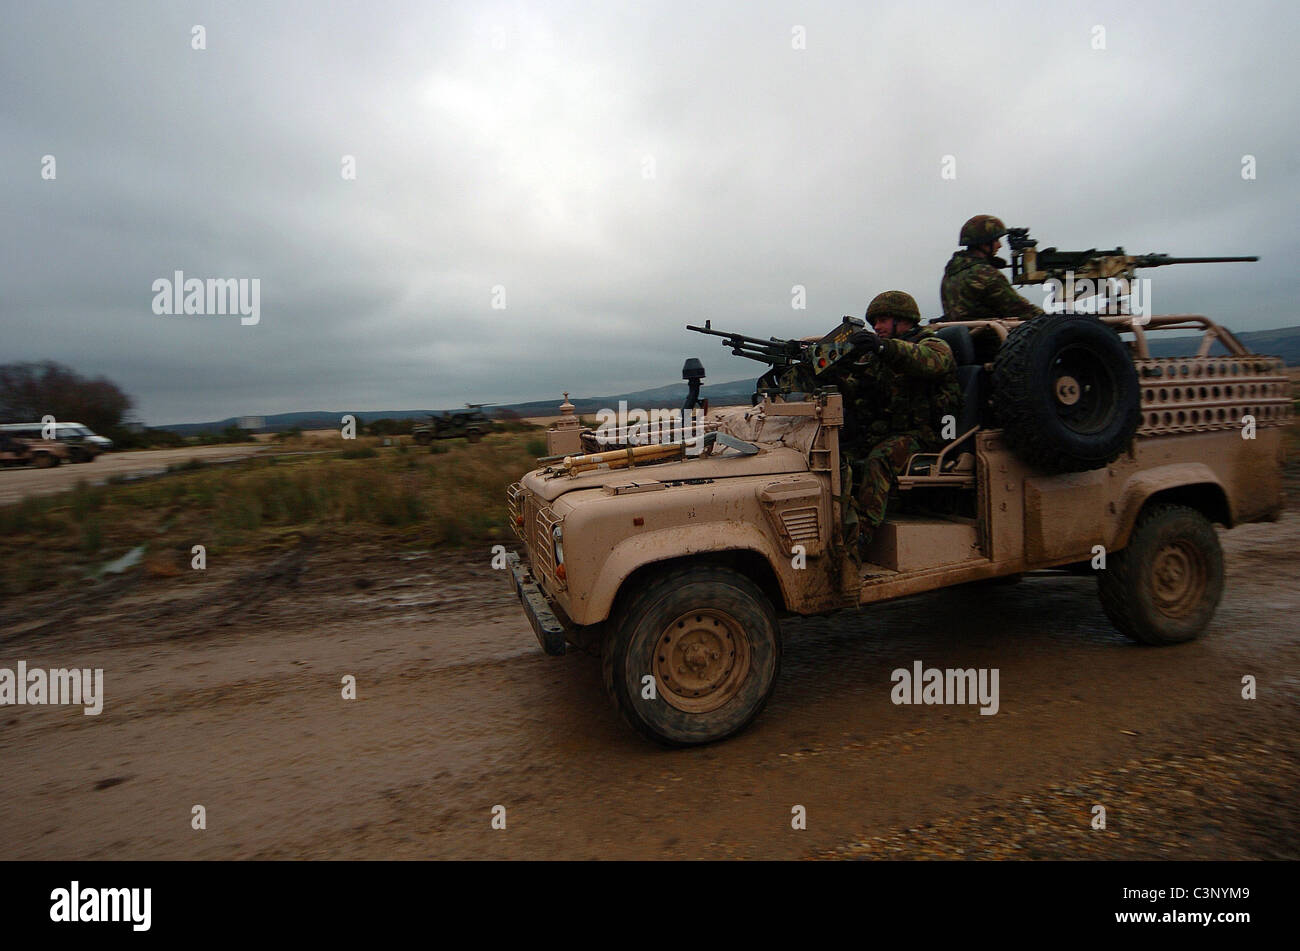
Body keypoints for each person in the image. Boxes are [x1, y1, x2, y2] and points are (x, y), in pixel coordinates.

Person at [830, 291, 961, 556]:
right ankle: (838, 523)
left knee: (879, 459)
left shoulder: (934, 346)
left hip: (928, 434)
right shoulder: (881, 356)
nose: (877, 327)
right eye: (874, 321)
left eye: (883, 320)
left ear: (904, 321)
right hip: (890, 432)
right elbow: (860, 388)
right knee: (837, 457)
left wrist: (882, 347)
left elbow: (929, 362)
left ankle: (863, 534)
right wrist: (837, 378)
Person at [938, 214, 1044, 321]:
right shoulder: (986, 275)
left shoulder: (951, 272)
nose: (1000, 245)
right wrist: (1052, 320)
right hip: (989, 335)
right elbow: (1021, 310)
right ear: (984, 243)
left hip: (964, 334)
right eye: (996, 240)